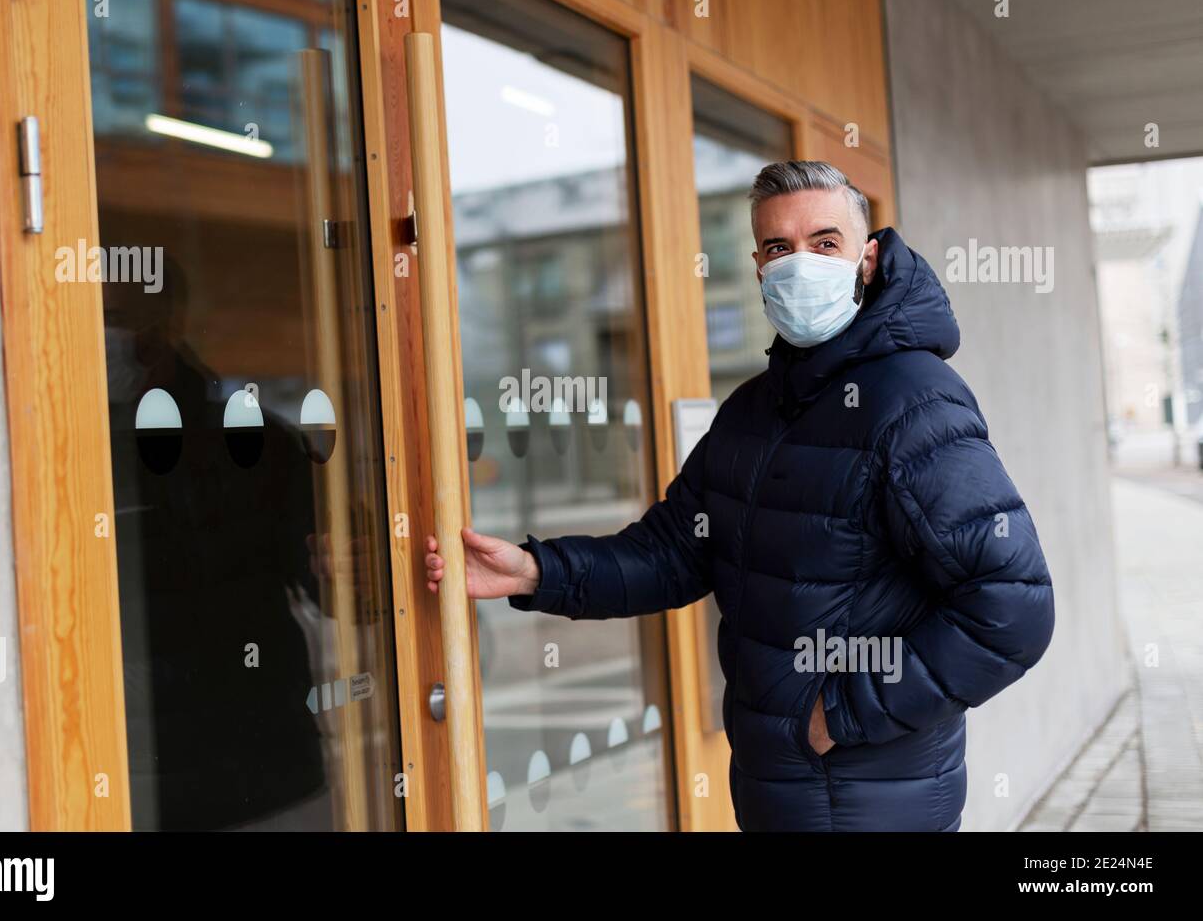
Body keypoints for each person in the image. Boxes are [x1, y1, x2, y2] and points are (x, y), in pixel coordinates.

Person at [424, 160, 1055, 831]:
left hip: (873, 801)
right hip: (773, 792)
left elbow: (1014, 607)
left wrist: (843, 713)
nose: (799, 264)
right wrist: (537, 571)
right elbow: (672, 553)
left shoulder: (914, 400)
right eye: (779, 248)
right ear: (757, 265)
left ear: (867, 260)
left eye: (825, 242)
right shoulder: (755, 410)